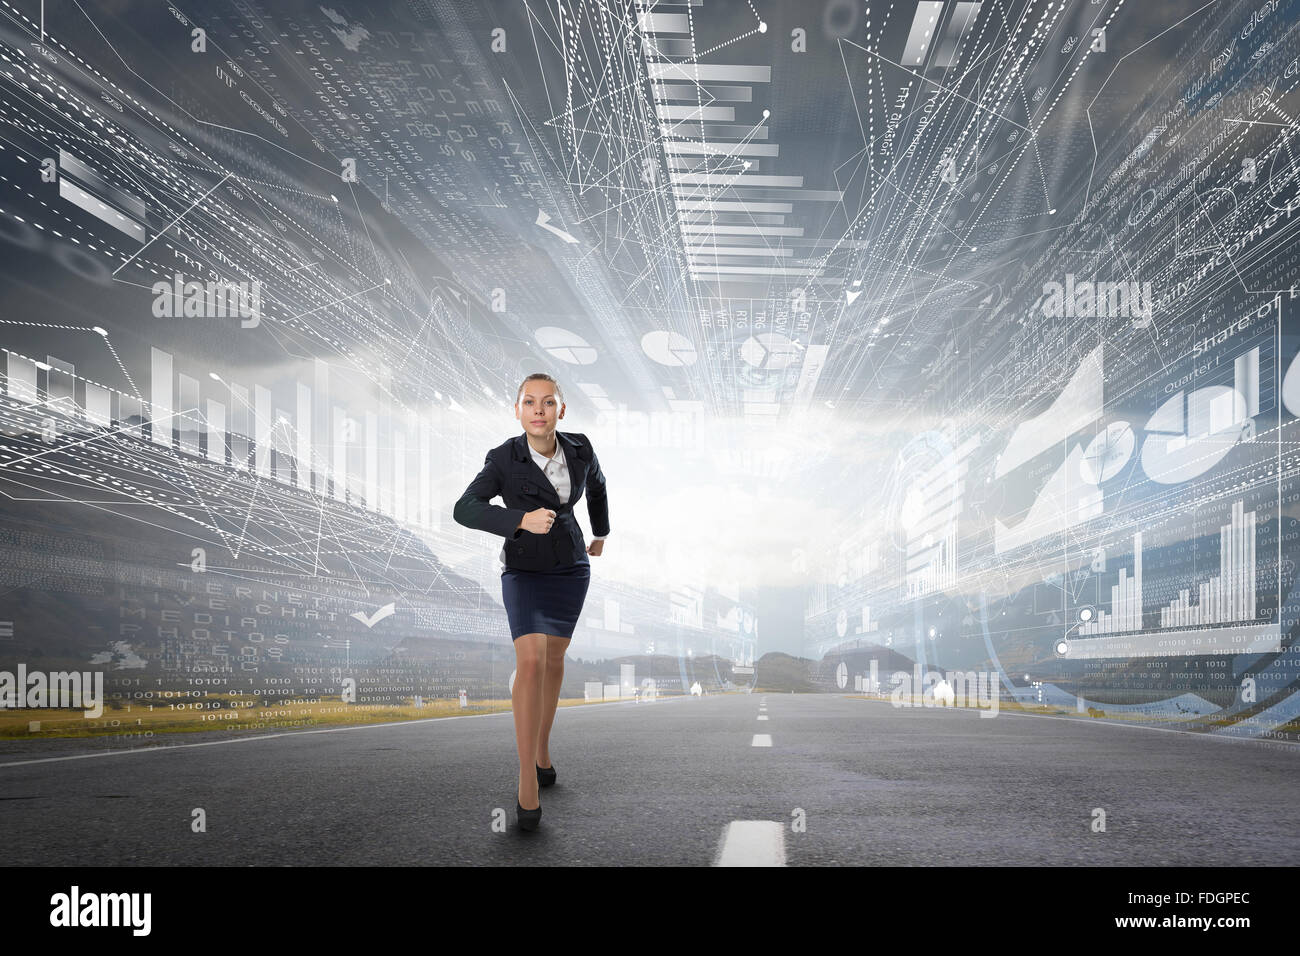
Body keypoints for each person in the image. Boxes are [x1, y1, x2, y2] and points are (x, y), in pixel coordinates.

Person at [452, 373, 610, 831]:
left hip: (570, 567)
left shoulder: (580, 449)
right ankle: (526, 776)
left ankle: (542, 749)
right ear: (517, 411)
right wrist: (518, 519)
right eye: (529, 403)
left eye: (547, 402)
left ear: (561, 410)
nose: (538, 410)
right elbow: (465, 508)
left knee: (555, 660)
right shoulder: (504, 458)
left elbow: (598, 487)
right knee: (533, 660)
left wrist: (600, 532)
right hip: (523, 570)